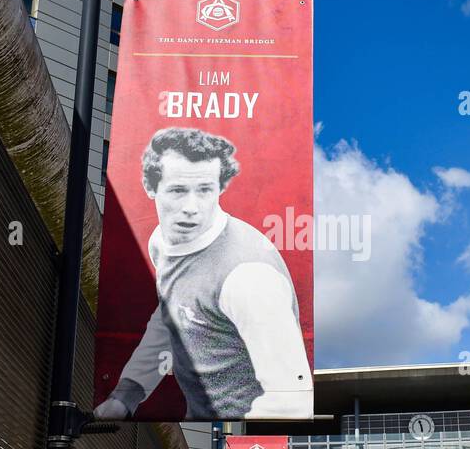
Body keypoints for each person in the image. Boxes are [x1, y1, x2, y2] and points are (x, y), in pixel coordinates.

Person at [93, 127, 312, 420]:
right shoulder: (163, 241)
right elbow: (172, 316)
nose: (191, 208)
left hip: (236, 433)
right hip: (196, 414)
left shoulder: (250, 277)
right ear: (151, 187)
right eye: (178, 190)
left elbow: (290, 400)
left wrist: (234, 445)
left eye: (205, 190)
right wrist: (126, 396)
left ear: (220, 188)